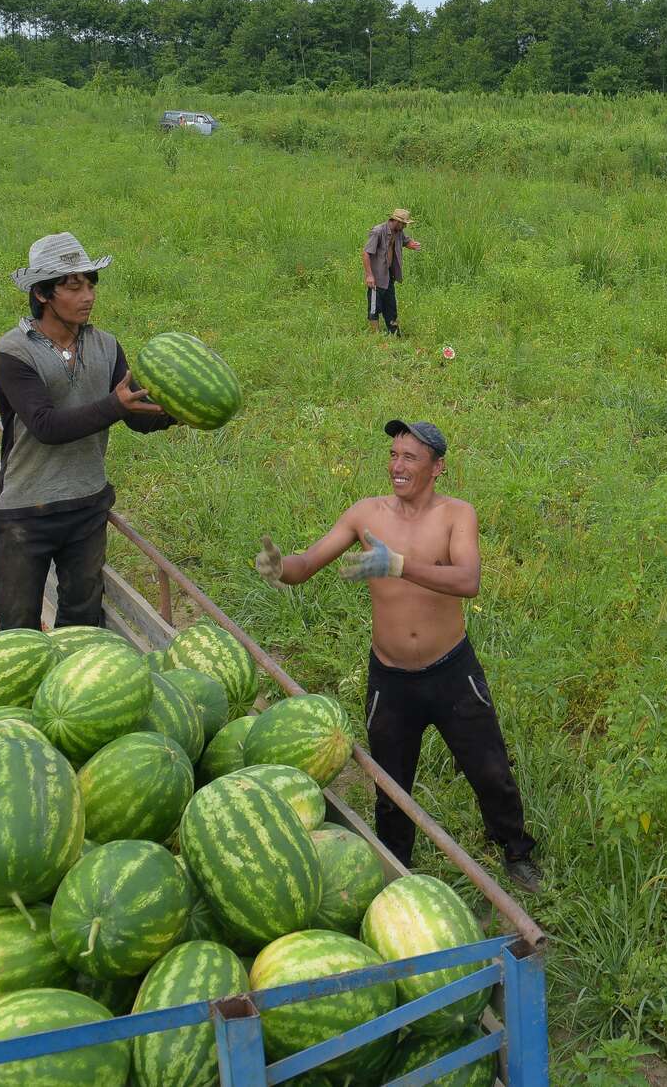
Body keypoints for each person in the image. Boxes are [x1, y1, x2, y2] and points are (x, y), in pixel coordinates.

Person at [254, 419, 541, 892]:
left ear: (438, 467)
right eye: (393, 455)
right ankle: (395, 872)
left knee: (490, 770)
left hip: (452, 671)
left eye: (410, 457)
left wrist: (400, 565)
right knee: (390, 787)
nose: (397, 465)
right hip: (390, 679)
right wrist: (281, 567)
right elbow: (307, 564)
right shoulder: (366, 514)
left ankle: (515, 850)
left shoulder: (456, 515)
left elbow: (469, 580)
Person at [0, 232, 175, 631]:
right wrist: (114, 405)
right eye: (73, 286)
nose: (87, 295)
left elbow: (136, 416)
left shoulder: (106, 345)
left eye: (90, 285)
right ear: (42, 293)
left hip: (87, 504)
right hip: (27, 512)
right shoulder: (13, 351)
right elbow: (45, 427)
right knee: (17, 623)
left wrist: (183, 412)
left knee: (82, 621)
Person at [361, 208, 421, 336]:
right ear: (397, 221)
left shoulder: (398, 232)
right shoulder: (378, 231)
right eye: (404, 223)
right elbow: (366, 253)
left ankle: (394, 334)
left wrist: (411, 244)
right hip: (376, 277)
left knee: (391, 306)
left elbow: (405, 241)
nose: (405, 226)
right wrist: (369, 275)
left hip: (389, 275)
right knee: (374, 307)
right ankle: (376, 337)